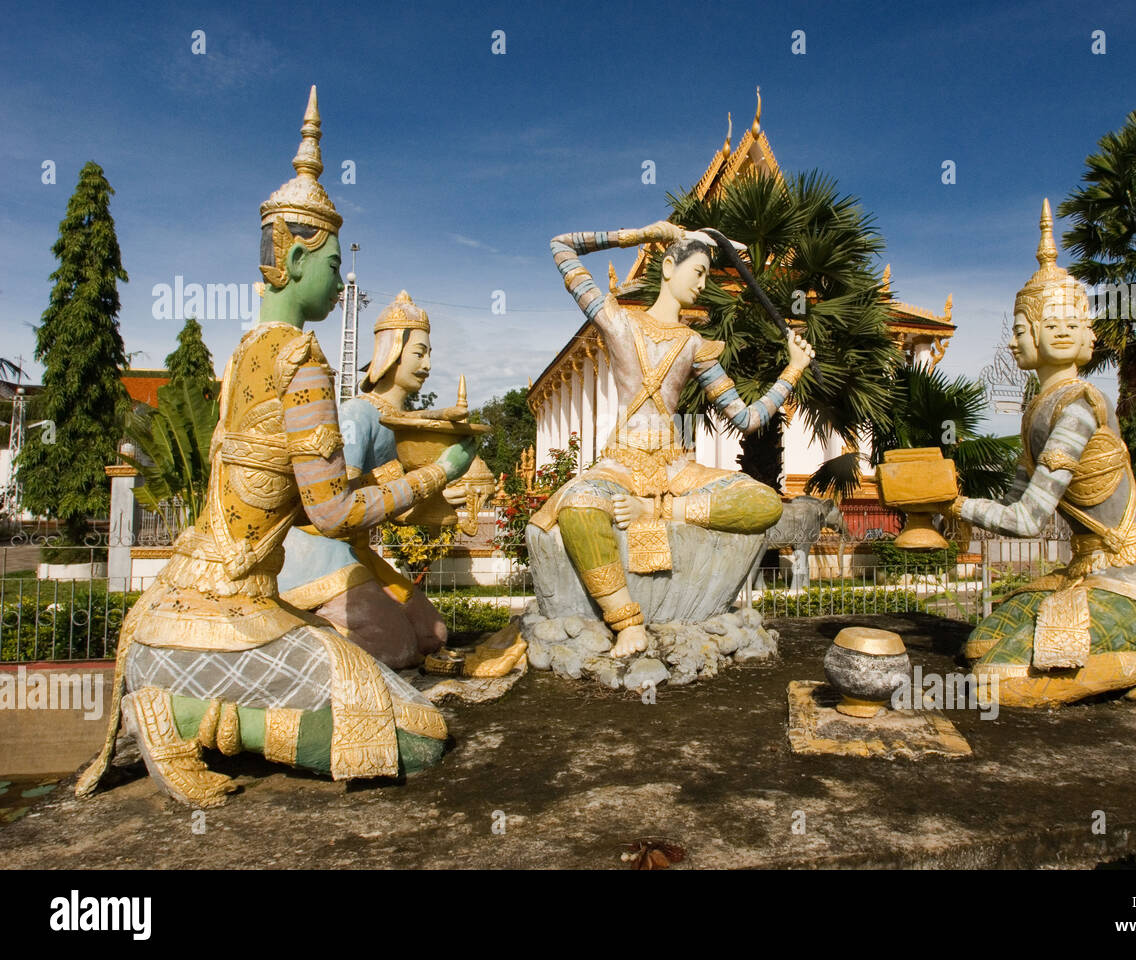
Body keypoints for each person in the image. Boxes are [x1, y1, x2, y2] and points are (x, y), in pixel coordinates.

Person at [76, 87, 476, 808]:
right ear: (295, 254)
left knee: (379, 671)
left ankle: (188, 703)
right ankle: (189, 717)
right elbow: (330, 515)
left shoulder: (245, 353)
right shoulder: (303, 363)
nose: (340, 279)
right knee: (417, 733)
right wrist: (436, 475)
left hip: (171, 606)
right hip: (227, 616)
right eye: (330, 264)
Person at [938, 201, 1136, 707]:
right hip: (1086, 574)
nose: (1048, 333)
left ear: (1084, 331)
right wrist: (948, 500)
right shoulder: (1034, 413)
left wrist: (952, 505)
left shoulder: (1082, 405)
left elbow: (1028, 519)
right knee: (978, 646)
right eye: (1025, 327)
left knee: (995, 683)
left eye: (1066, 320)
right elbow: (1015, 506)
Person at [530, 221, 814, 657]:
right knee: (578, 506)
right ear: (667, 266)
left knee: (765, 502)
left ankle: (660, 509)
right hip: (621, 465)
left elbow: (748, 418)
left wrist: (792, 369)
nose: (703, 284)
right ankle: (626, 621)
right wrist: (639, 234)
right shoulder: (618, 322)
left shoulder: (695, 345)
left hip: (677, 468)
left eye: (706, 274)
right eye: (697, 271)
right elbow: (561, 246)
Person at [278, 291, 469, 668]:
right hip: (321, 548)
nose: (427, 364)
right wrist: (438, 474)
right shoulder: (356, 415)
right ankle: (290, 634)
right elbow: (337, 505)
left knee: (432, 634)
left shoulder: (399, 425)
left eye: (428, 354)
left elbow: (395, 510)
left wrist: (444, 502)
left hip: (359, 552)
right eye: (419, 353)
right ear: (392, 351)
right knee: (396, 647)